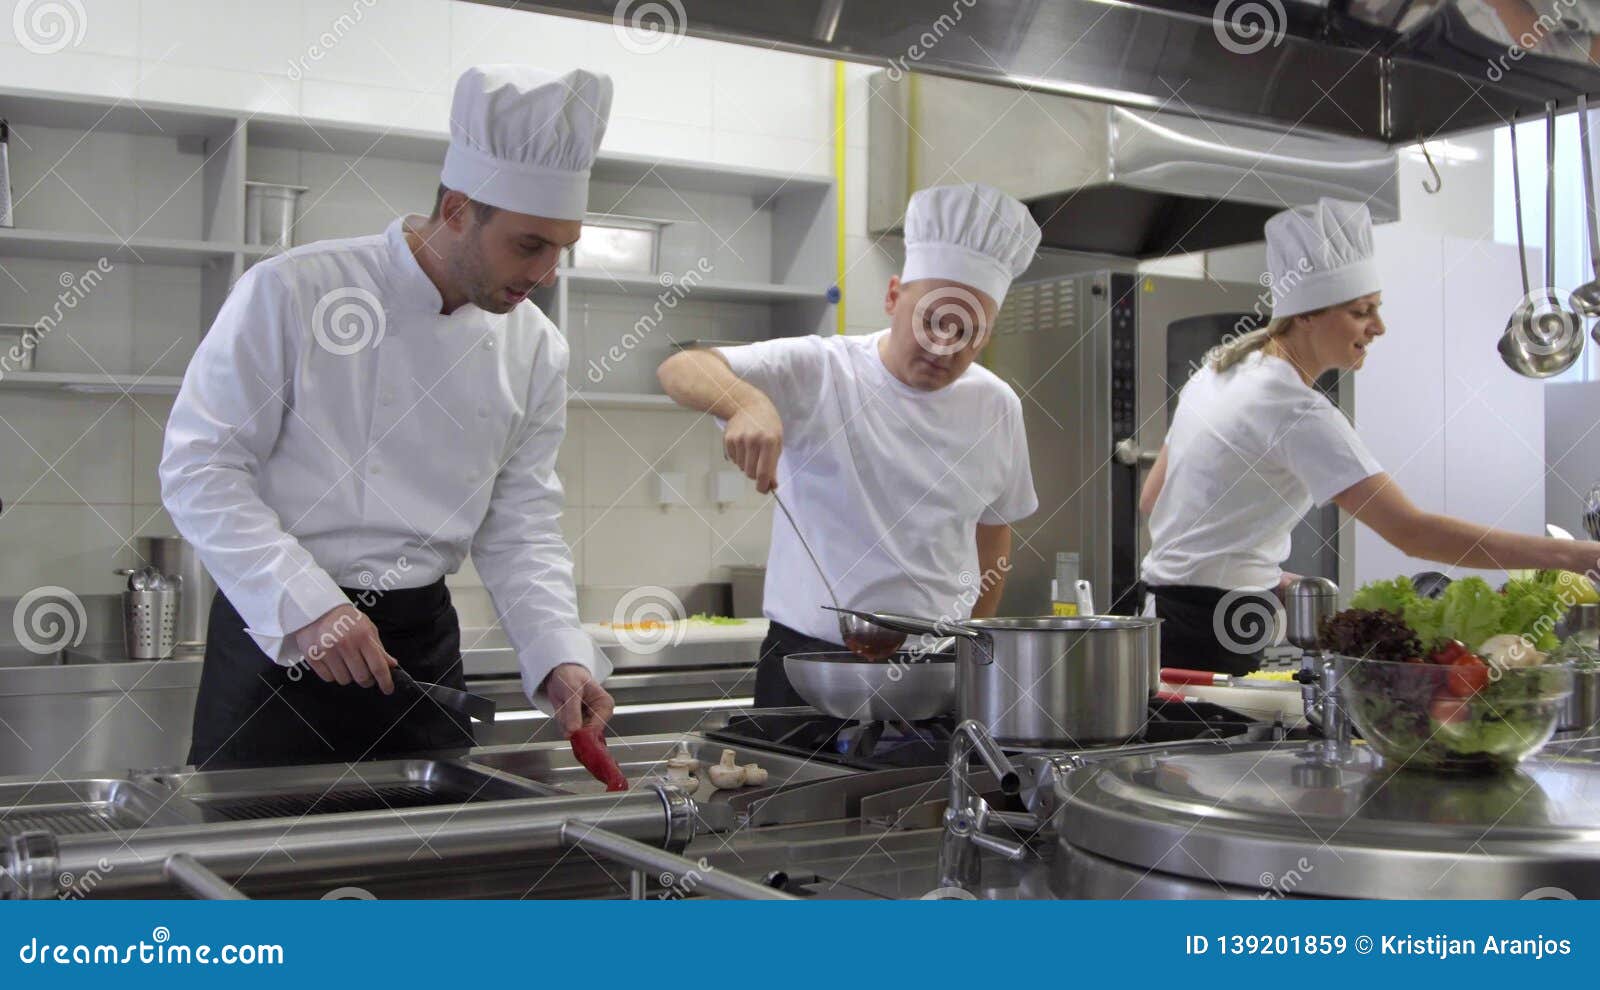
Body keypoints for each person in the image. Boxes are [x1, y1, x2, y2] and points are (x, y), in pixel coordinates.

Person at [160, 66, 616, 766]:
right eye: (529, 244)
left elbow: (519, 523)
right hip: (279, 645)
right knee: (249, 868)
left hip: (420, 650)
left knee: (431, 865)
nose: (547, 271)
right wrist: (307, 605)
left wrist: (560, 658)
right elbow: (201, 467)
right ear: (459, 209)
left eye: (561, 247)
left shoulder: (535, 350)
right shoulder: (292, 292)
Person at [1138, 197, 1600, 674]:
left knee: (1177, 738)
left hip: (1161, 621)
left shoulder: (1219, 370)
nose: (1379, 327)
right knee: (1215, 745)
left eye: (1376, 308)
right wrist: (1575, 555)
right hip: (1215, 631)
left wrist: (1250, 567)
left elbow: (1153, 498)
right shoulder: (1295, 409)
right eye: (1361, 312)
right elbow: (1412, 532)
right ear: (1307, 316)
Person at [657, 183, 1041, 707]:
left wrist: (973, 643)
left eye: (968, 331)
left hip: (937, 669)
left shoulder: (997, 406)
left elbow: (994, 532)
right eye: (930, 320)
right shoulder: (821, 369)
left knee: (929, 793)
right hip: (809, 666)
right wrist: (747, 403)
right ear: (891, 296)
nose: (943, 346)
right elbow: (682, 368)